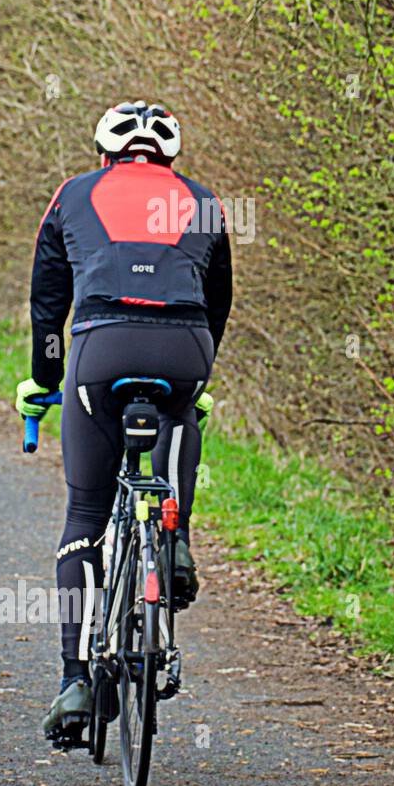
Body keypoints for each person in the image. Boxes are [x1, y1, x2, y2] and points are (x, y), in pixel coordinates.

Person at [17, 100, 232, 743]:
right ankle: (176, 539)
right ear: (170, 157)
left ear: (105, 153)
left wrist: (45, 381)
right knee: (179, 413)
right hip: (185, 348)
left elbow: (47, 302)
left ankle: (76, 678)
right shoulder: (204, 200)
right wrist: (198, 374)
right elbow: (216, 300)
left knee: (86, 510)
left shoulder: (74, 195)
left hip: (100, 349)